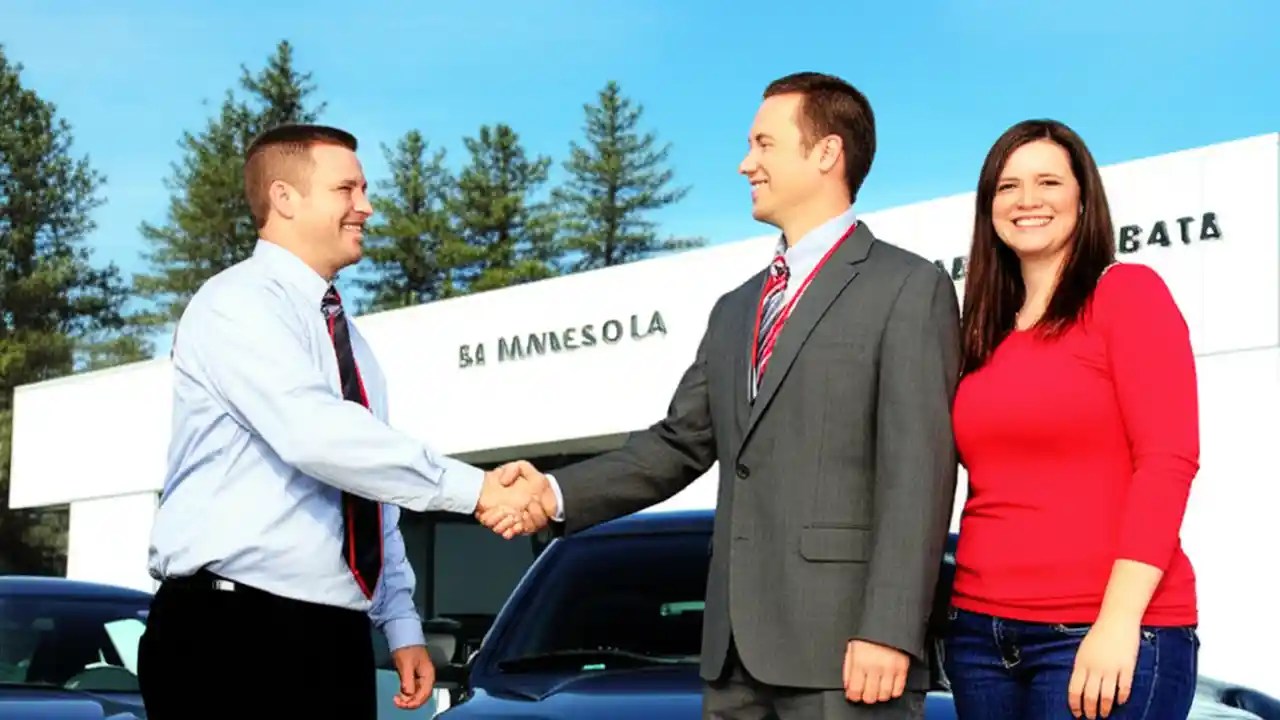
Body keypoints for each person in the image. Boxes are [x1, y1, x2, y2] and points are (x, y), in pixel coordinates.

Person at [483, 72, 961, 720]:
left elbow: (919, 475)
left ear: (826, 153)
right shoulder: (736, 309)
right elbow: (680, 442)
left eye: (763, 144)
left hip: (846, 654)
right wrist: (554, 492)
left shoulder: (908, 287)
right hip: (732, 659)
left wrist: (891, 627)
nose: (745, 164)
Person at [137, 123, 547, 720]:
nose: (366, 206)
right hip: (232, 639)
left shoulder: (352, 341)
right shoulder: (236, 304)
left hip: (331, 638)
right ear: (284, 197)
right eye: (346, 189)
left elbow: (366, 489)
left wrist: (401, 622)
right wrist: (477, 489)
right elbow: (316, 435)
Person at [942, 119, 1201, 720]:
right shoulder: (981, 334)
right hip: (980, 638)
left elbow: (1167, 462)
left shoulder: (1126, 294)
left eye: (1048, 181)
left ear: (1083, 199)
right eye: (1007, 187)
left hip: (1097, 630)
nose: (1027, 200)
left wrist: (1117, 624)